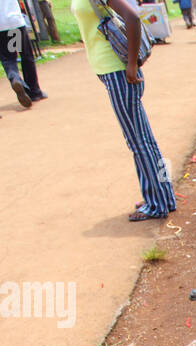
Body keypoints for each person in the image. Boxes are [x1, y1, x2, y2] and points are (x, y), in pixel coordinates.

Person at [71, 0, 176, 221]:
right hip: (111, 70)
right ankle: (162, 195)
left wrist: (131, 63)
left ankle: (156, 204)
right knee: (144, 140)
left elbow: (132, 17)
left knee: (138, 142)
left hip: (118, 72)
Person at [0, 0, 46, 107]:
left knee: (8, 57)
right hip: (12, 21)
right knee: (25, 55)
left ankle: (15, 77)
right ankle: (34, 91)